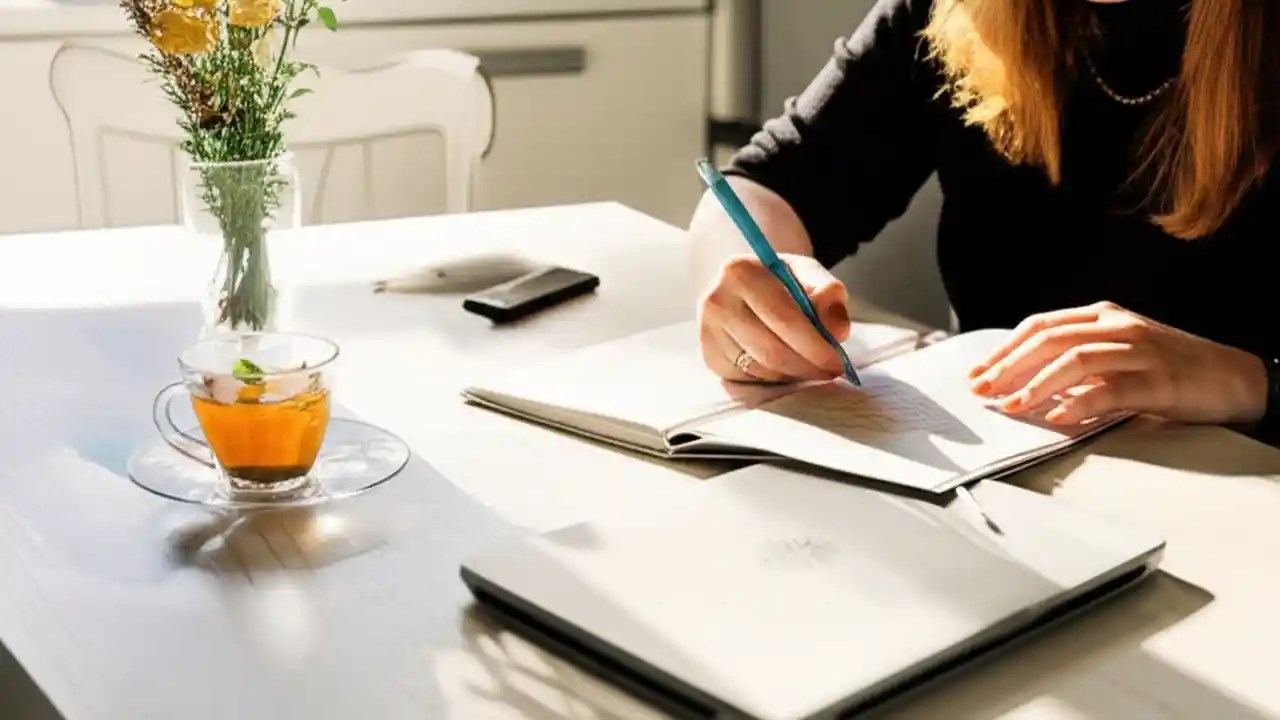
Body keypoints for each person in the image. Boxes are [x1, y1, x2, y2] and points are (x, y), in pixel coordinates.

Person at [690, 0, 1280, 434]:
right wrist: (754, 294)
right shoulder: (960, 10)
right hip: (1006, 488)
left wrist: (1250, 381)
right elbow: (763, 185)